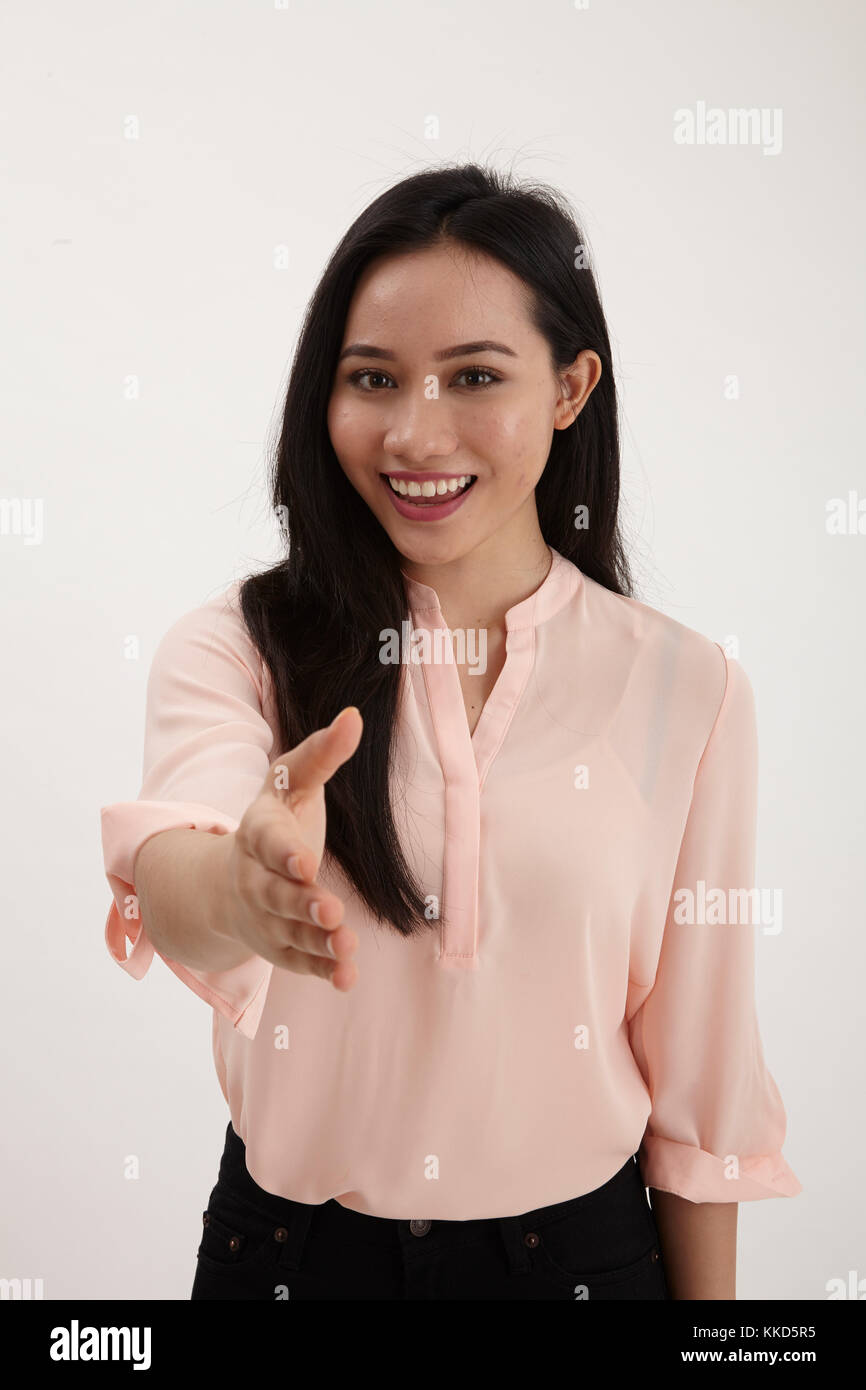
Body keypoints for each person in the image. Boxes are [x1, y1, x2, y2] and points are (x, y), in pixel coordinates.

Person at [100, 163, 801, 1302]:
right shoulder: (240, 643)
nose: (415, 434)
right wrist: (240, 885)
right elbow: (176, 866)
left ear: (570, 388)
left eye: (473, 376)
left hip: (581, 1265)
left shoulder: (690, 687)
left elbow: (698, 1089)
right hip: (289, 1263)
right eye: (371, 378)